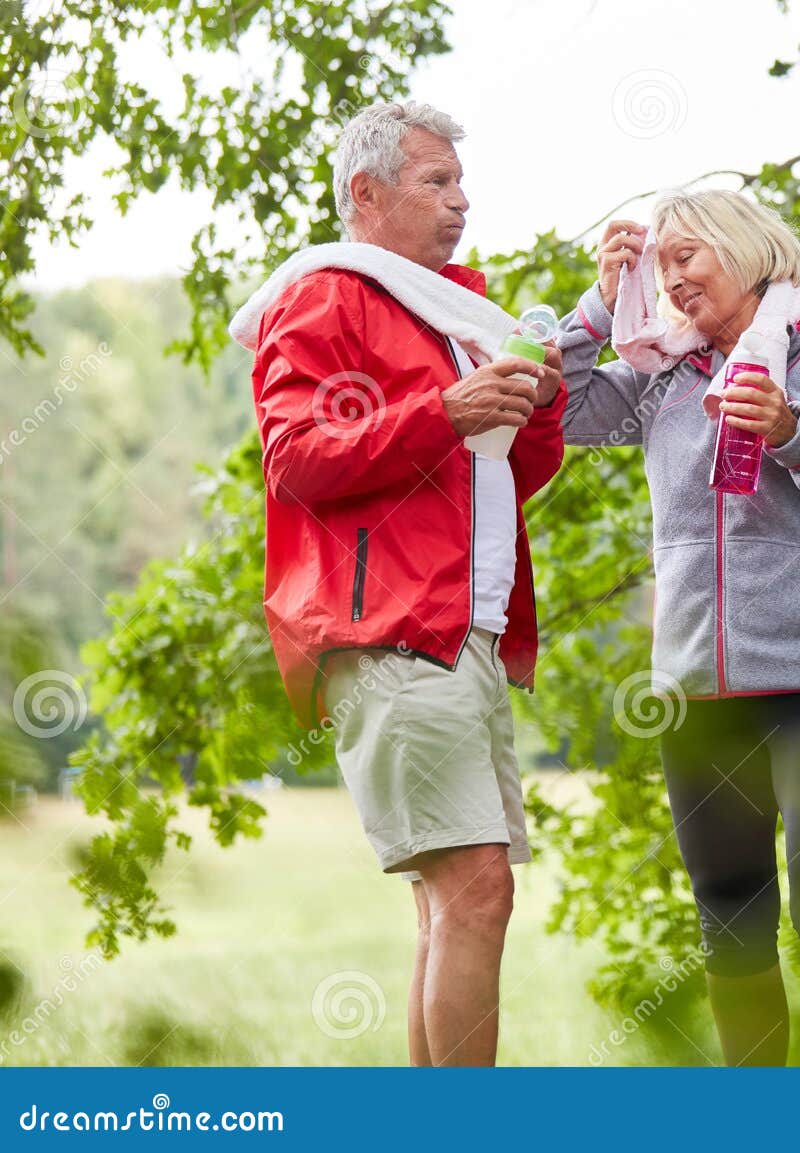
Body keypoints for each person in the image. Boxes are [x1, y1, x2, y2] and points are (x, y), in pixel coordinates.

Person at [556, 189, 800, 1065]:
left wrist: (797, 432)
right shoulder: (660, 364)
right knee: (729, 913)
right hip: (697, 690)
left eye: (688, 256)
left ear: (744, 246)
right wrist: (600, 302)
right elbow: (567, 413)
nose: (672, 278)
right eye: (659, 263)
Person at [240, 101, 566, 1065]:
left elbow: (509, 467)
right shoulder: (325, 297)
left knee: (452, 902)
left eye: (462, 181)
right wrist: (443, 412)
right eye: (437, 182)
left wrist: (529, 403)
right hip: (389, 632)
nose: (462, 202)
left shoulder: (456, 311)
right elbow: (295, 460)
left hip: (466, 630)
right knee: (475, 890)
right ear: (366, 193)